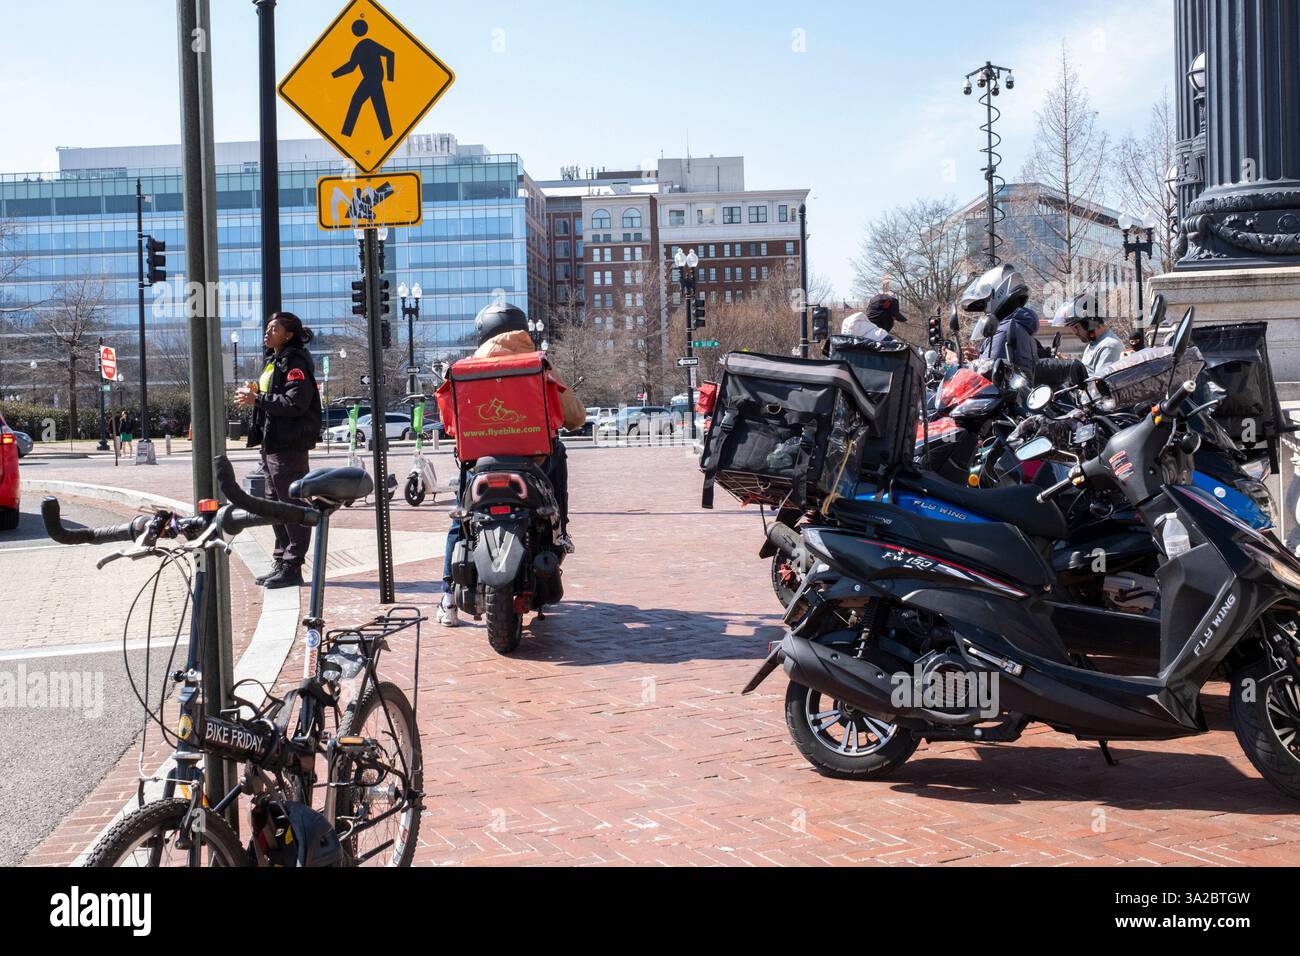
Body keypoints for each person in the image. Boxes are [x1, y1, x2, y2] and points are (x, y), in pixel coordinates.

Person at [437, 302, 585, 627]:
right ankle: (560, 531)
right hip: (532, 468)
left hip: (481, 468)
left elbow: (450, 424)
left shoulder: (465, 369)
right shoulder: (540, 365)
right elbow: (575, 417)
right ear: (522, 330)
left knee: (461, 519)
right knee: (557, 453)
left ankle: (447, 597)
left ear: (483, 333)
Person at [235, 312, 322, 589]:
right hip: (271, 444)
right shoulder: (275, 361)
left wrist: (258, 398)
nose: (267, 332)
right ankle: (282, 561)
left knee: (291, 504)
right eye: (267, 328)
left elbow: (294, 403)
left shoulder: (295, 362)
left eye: (274, 328)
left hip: (289, 445)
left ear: (289, 334)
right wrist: (255, 393)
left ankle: (293, 565)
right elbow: (273, 397)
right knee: (275, 506)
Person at [961, 263, 1039, 378]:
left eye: (985, 302)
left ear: (998, 292)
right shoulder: (1019, 327)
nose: (985, 311)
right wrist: (979, 356)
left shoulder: (1005, 329)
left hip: (1001, 395)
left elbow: (986, 372)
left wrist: (957, 364)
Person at [1055, 287, 1125, 376]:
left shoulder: (1108, 347)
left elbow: (1099, 386)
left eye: (1076, 327)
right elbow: (1088, 374)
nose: (1074, 332)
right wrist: (1067, 366)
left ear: (1089, 323)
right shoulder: (1094, 344)